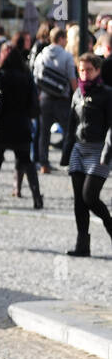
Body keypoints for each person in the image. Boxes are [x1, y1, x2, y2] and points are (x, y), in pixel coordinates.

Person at [60, 52, 112, 257]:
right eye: (81, 70)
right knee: (79, 201)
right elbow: (71, 124)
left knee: (90, 196)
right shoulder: (77, 94)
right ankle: (82, 244)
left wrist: (108, 151)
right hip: (79, 149)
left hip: (99, 149)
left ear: (98, 70)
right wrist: (66, 152)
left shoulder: (107, 94)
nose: (84, 74)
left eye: (89, 70)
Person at [0, 35, 42, 210]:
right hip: (21, 124)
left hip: (1, 124)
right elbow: (33, 101)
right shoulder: (27, 76)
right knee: (26, 161)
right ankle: (37, 198)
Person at [31, 26, 78, 174]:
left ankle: (44, 163)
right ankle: (71, 161)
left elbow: (35, 76)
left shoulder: (42, 54)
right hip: (62, 98)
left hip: (44, 97)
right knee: (69, 131)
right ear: (61, 39)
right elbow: (72, 78)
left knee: (44, 133)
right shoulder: (66, 56)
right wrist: (76, 95)